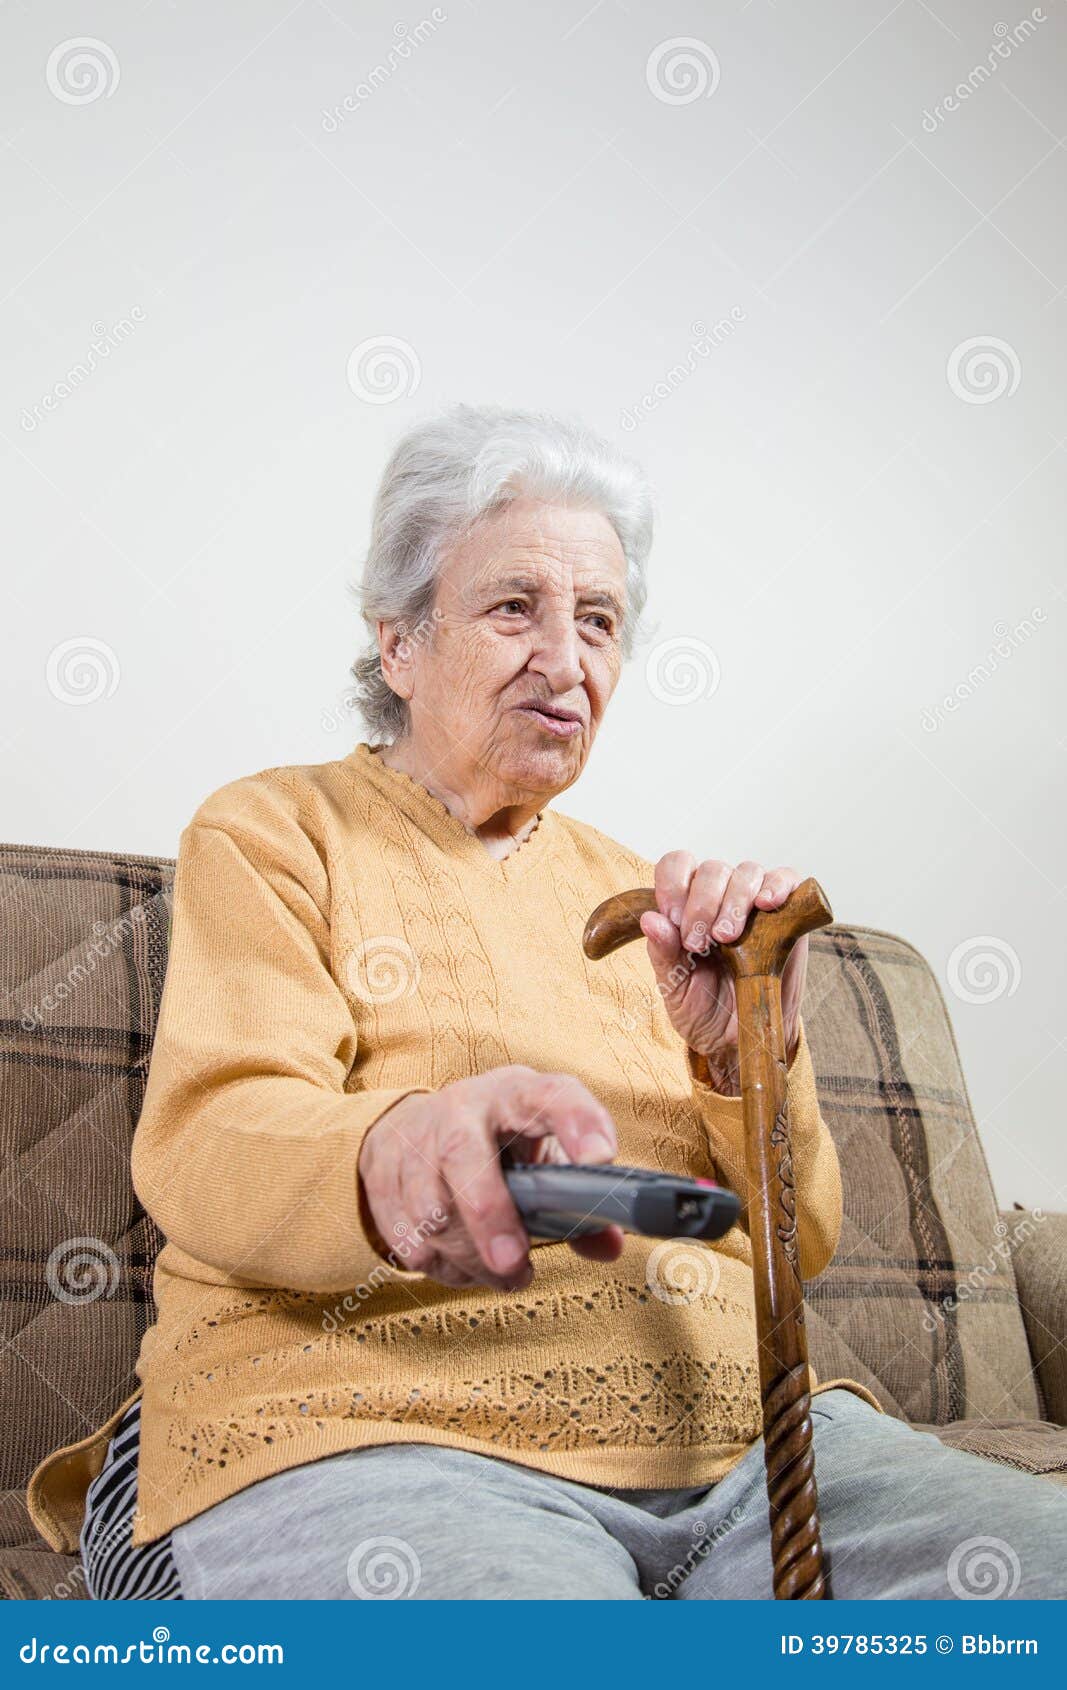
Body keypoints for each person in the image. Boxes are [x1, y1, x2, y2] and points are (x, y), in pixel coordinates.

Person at [28, 404, 1067, 1599]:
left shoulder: (653, 909)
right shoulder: (274, 833)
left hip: (742, 1449)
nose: (567, 661)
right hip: (373, 1433)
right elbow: (213, 1140)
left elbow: (801, 1237)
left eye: (600, 621)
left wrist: (742, 1060)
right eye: (514, 606)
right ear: (399, 644)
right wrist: (391, 1149)